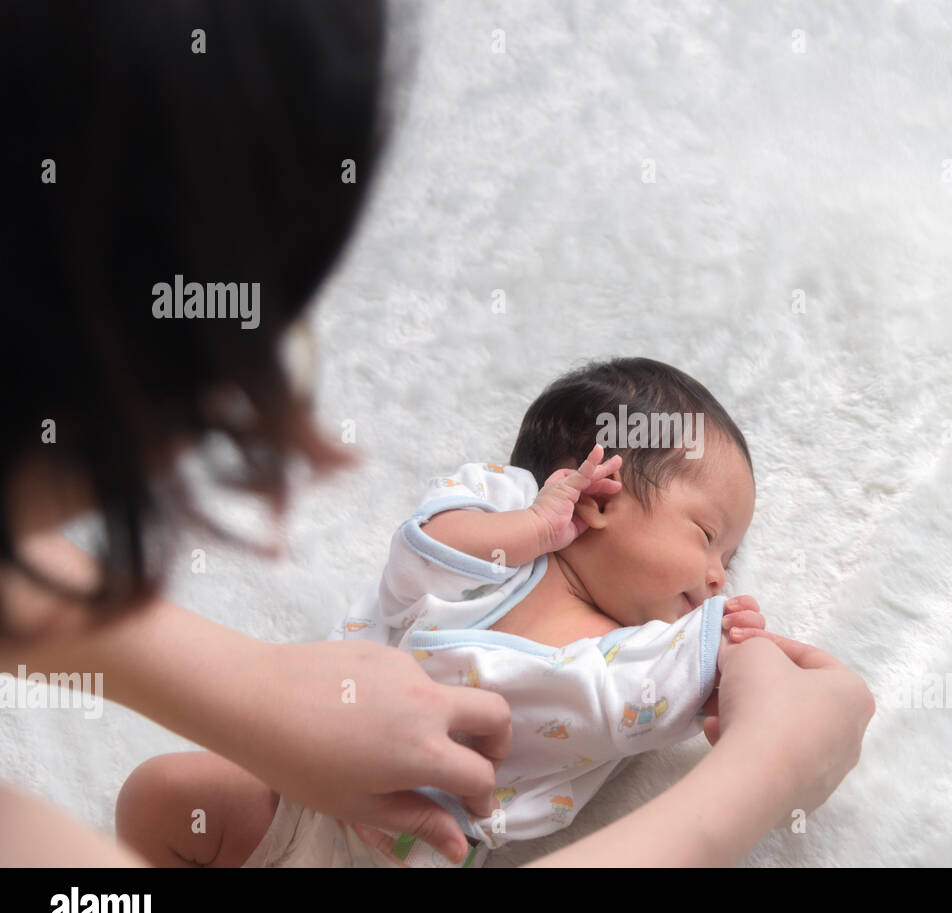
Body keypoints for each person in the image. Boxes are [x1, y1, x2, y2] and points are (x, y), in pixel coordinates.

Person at [0, 0, 874, 868]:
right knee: (163, 792)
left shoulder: (642, 653)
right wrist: (772, 767)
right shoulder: (501, 519)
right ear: (599, 488)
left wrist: (735, 644)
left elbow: (688, 682)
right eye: (706, 533)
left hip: (415, 838)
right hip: (296, 799)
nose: (720, 567)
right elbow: (425, 545)